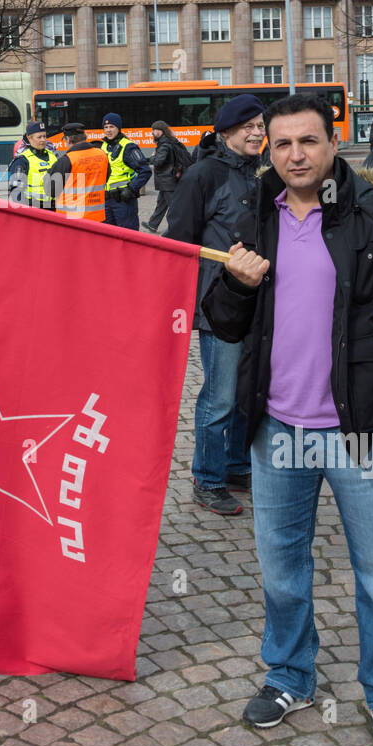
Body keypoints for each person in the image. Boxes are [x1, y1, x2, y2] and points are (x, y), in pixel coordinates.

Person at [203, 93, 373, 746]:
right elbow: (223, 321)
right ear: (268, 148)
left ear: (332, 141)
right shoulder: (254, 214)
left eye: (307, 141)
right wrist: (237, 284)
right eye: (280, 144)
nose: (294, 155)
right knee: (283, 568)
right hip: (276, 430)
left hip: (362, 431)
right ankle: (289, 675)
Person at [165, 95, 265, 514]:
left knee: (248, 392)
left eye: (261, 125)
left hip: (258, 300)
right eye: (249, 126)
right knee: (220, 397)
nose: (257, 131)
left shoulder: (264, 174)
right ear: (226, 132)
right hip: (218, 306)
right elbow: (179, 241)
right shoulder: (203, 174)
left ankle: (238, 467)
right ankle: (207, 479)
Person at [49, 122, 110, 221]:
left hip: (71, 219)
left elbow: (51, 190)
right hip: (97, 217)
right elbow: (105, 178)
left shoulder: (67, 160)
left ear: (68, 139)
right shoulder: (102, 155)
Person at [101, 113, 151, 230]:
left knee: (127, 236)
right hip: (107, 201)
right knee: (108, 236)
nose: (108, 130)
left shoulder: (128, 147)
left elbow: (146, 171)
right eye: (106, 127)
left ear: (118, 128)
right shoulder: (104, 146)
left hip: (123, 201)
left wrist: (131, 189)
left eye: (112, 127)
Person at [143, 120, 191, 233]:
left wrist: (153, 157)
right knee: (161, 204)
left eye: (153, 130)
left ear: (160, 131)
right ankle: (153, 224)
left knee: (174, 207)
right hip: (168, 180)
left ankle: (179, 229)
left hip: (167, 180)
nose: (152, 133)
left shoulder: (164, 145)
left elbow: (159, 161)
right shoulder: (169, 142)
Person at [7, 121, 58, 208]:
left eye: (44, 136)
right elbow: (16, 191)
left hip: (54, 207)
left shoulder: (52, 156)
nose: (43, 140)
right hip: (34, 208)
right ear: (29, 138)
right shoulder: (22, 160)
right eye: (39, 137)